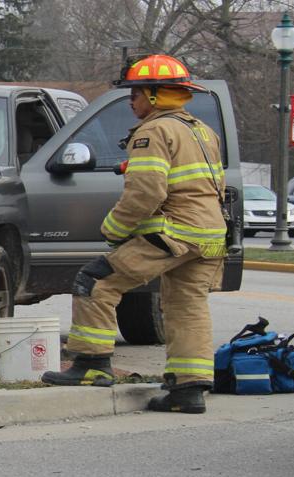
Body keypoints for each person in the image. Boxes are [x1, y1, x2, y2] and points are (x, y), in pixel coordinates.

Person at [42, 54, 229, 414]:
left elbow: (147, 192)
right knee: (186, 307)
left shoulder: (153, 131)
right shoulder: (202, 131)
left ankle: (91, 365)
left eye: (136, 93)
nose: (131, 101)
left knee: (96, 281)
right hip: (208, 235)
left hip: (173, 232)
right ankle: (188, 390)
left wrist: (114, 229)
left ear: (156, 95)